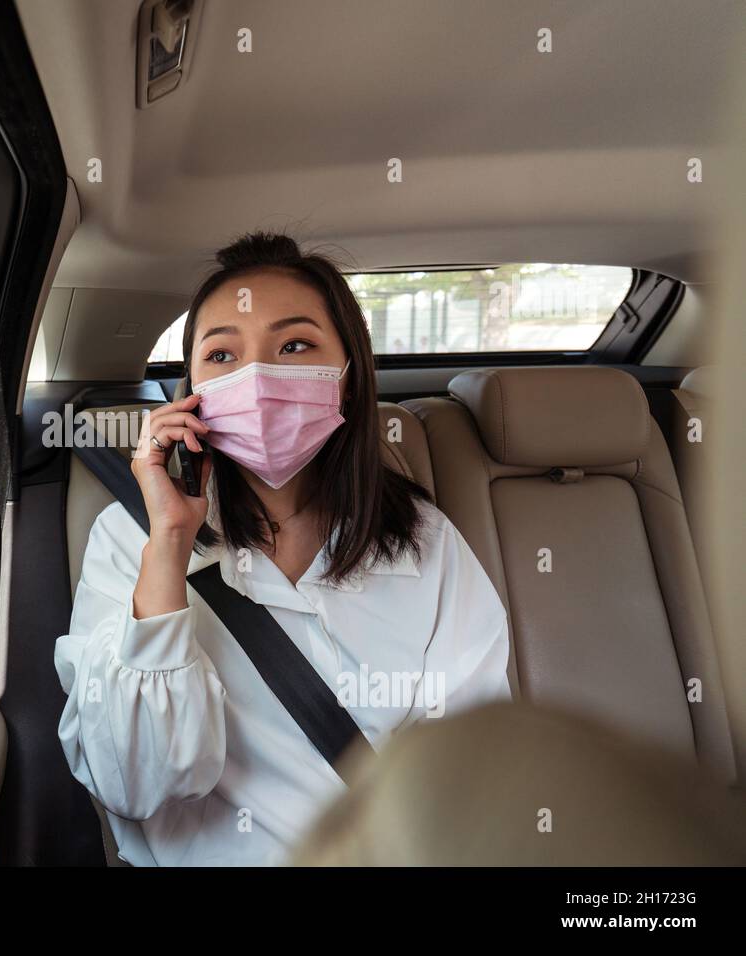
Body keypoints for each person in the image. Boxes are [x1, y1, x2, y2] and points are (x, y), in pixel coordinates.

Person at [54, 231, 512, 866]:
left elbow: (474, 757)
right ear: (189, 390)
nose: (257, 377)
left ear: (347, 377)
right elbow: (134, 784)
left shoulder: (423, 540)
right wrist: (170, 546)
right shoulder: (133, 536)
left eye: (295, 345)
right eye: (221, 355)